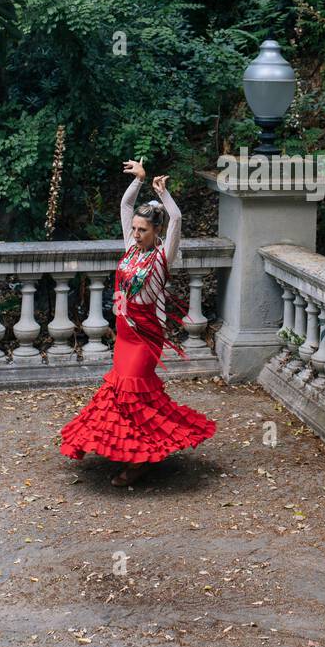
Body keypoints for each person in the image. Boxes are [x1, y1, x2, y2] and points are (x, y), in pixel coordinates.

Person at [59, 160, 216, 486]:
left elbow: (177, 218)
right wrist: (139, 180)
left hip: (145, 338)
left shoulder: (162, 258)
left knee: (132, 390)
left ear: (156, 232)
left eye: (143, 230)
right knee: (123, 393)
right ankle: (132, 452)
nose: (135, 233)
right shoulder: (130, 248)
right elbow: (126, 204)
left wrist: (164, 193)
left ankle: (141, 461)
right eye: (134, 228)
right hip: (124, 334)